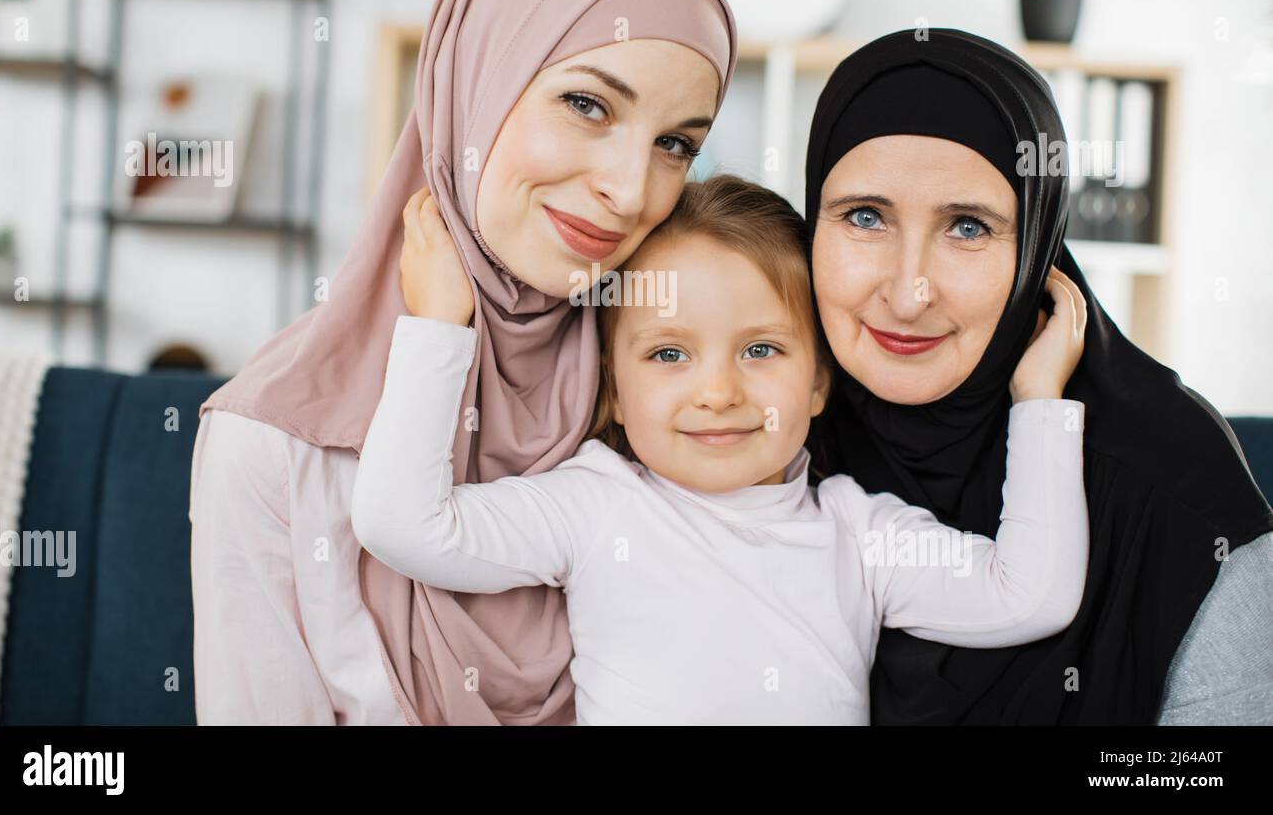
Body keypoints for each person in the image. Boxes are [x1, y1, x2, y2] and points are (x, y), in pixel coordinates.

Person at [188, 0, 737, 725]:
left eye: (675, 145)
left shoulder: (673, 395)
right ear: (475, 77)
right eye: (587, 104)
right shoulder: (271, 446)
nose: (629, 191)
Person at [351, 175, 1090, 724]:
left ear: (818, 384)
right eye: (669, 355)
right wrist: (439, 326)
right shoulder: (597, 503)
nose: (716, 393)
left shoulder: (857, 534)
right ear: (614, 390)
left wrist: (1040, 400)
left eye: (761, 349)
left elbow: (1029, 594)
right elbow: (402, 524)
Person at [804, 27, 1273, 724]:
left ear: (1037, 250)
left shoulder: (1174, 481)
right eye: (865, 217)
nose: (908, 294)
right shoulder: (751, 428)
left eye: (968, 227)